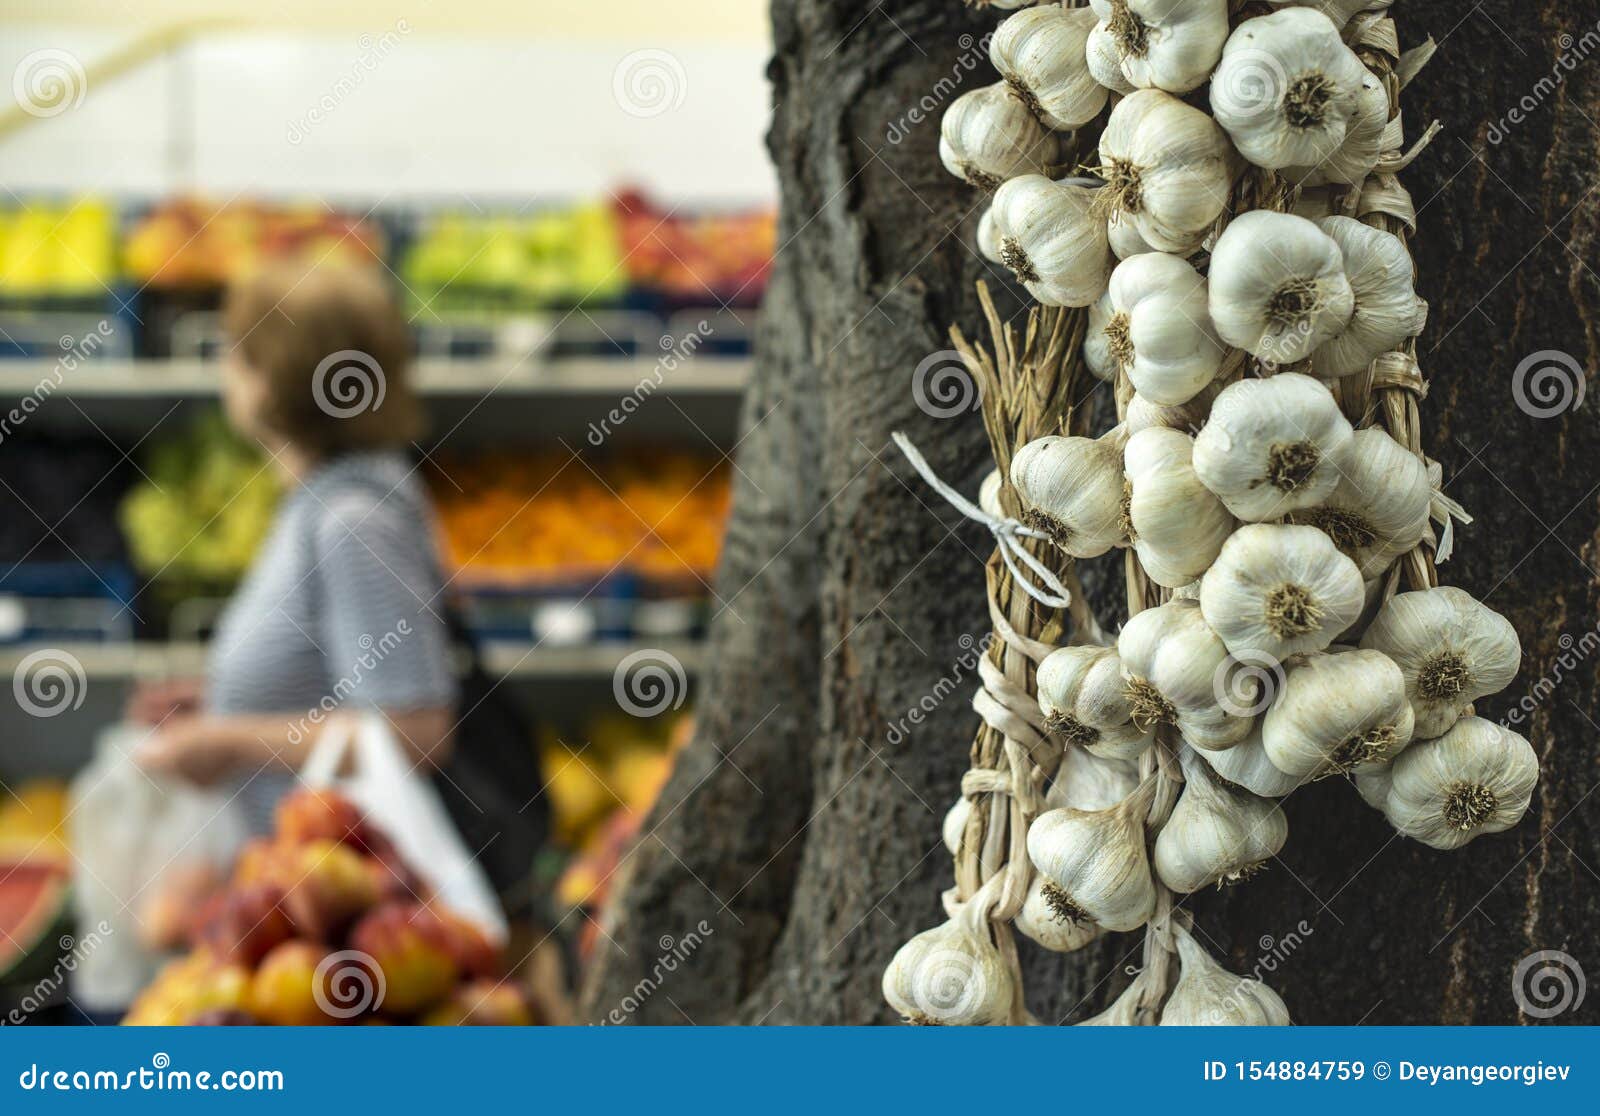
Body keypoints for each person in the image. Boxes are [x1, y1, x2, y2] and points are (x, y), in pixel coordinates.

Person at [130, 262, 457, 833]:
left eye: (236, 351)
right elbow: (331, 678)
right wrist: (221, 702)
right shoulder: (318, 496)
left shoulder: (353, 521)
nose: (223, 367)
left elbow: (416, 733)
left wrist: (229, 742)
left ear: (272, 379)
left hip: (347, 866)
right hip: (300, 863)